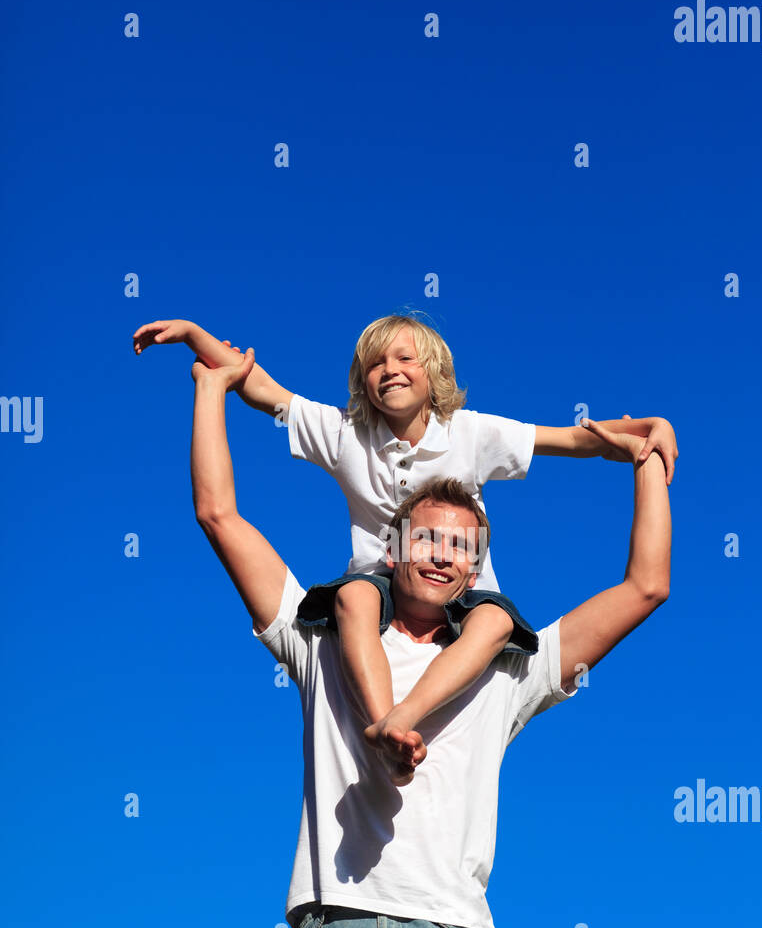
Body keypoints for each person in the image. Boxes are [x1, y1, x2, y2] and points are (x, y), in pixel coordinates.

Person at [187, 344, 673, 928]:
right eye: (427, 538)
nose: (443, 554)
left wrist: (648, 464)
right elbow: (220, 516)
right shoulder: (322, 644)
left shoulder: (507, 670)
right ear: (395, 544)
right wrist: (211, 391)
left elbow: (643, 588)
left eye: (461, 545)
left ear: (475, 566)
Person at [135, 312, 677, 784]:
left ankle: (407, 714)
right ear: (361, 381)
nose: (389, 369)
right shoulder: (345, 431)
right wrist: (193, 336)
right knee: (353, 600)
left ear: (435, 374)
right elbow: (260, 390)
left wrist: (649, 431)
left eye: (404, 359)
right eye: (374, 364)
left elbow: (571, 439)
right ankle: (384, 723)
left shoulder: (468, 432)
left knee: (496, 624)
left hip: (466, 595)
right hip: (381, 580)